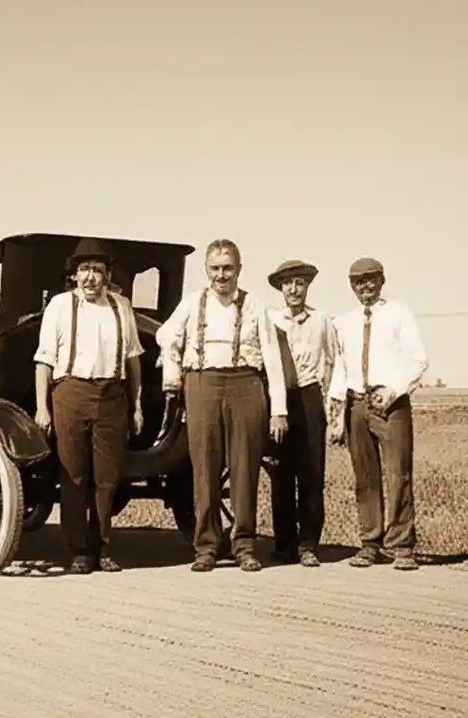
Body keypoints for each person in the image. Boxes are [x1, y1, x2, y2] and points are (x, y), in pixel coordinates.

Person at [157, 239, 288, 573]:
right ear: (206, 270)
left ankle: (244, 545)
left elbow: (272, 357)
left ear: (239, 269)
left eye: (228, 267)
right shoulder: (192, 303)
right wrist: (173, 372)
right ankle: (206, 547)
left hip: (246, 384)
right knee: (204, 467)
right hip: (203, 384)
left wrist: (279, 409)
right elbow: (165, 336)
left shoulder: (255, 305)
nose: (221, 275)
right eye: (215, 268)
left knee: (245, 468)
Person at [34, 238, 145, 574]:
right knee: (74, 475)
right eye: (84, 270)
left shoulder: (121, 306)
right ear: (74, 275)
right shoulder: (59, 306)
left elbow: (133, 360)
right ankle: (80, 550)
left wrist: (137, 406)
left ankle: (103, 546)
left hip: (113, 395)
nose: (90, 277)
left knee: (108, 478)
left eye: (97, 270)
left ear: (108, 275)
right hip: (70, 393)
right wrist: (43, 407)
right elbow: (44, 360)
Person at [327, 257, 429, 571]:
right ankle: (370, 543)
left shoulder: (398, 313)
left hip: (391, 405)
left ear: (382, 280)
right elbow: (340, 367)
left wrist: (394, 390)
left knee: (399, 474)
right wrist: (336, 410)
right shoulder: (343, 322)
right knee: (364, 478)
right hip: (356, 404)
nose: (366, 286)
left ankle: (401, 547)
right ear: (351, 286)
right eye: (359, 281)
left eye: (371, 279)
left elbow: (418, 360)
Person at [266, 259, 336, 568]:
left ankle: (308, 544)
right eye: (288, 284)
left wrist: (330, 404)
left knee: (310, 474)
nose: (294, 289)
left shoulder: (321, 321)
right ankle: (284, 545)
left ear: (307, 286)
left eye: (300, 283)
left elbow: (333, 361)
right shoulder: (269, 320)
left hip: (309, 396)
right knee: (280, 474)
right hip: (279, 401)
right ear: (280, 288)